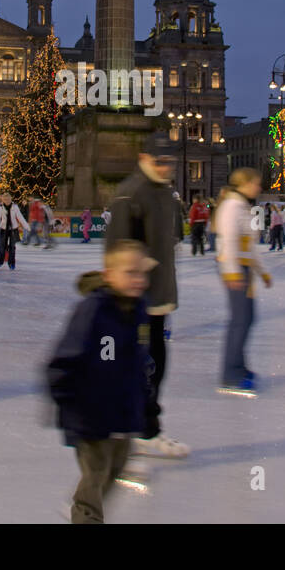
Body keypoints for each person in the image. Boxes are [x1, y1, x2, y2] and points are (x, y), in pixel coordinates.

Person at [47, 239, 154, 523]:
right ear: (108, 275)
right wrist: (70, 403)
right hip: (90, 415)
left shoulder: (139, 310)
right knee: (95, 475)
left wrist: (147, 407)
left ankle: (81, 507)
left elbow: (139, 362)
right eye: (130, 272)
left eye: (142, 272)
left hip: (122, 414)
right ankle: (84, 515)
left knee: (114, 471)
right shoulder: (93, 310)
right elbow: (64, 360)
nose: (138, 280)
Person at [106, 132, 190, 458]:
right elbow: (117, 248)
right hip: (136, 298)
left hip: (158, 296)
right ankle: (133, 432)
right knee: (141, 367)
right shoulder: (132, 192)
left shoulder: (165, 192)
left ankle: (143, 429)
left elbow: (170, 236)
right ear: (144, 159)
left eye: (170, 161)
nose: (166, 166)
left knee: (155, 364)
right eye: (160, 160)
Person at [214, 168, 272, 392]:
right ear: (245, 184)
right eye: (256, 183)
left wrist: (262, 272)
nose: (259, 187)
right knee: (240, 319)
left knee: (247, 317)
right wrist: (232, 272)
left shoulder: (242, 205)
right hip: (235, 267)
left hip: (243, 267)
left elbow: (249, 246)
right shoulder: (231, 206)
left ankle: (238, 364)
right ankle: (231, 372)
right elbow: (227, 240)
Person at [0, 192, 29, 270]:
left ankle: (11, 263)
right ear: (3, 200)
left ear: (10, 199)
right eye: (5, 199)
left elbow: (20, 217)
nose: (7, 200)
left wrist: (26, 226)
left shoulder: (15, 207)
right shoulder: (1, 208)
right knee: (2, 247)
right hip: (3, 229)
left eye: (8, 199)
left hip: (13, 229)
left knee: (12, 247)